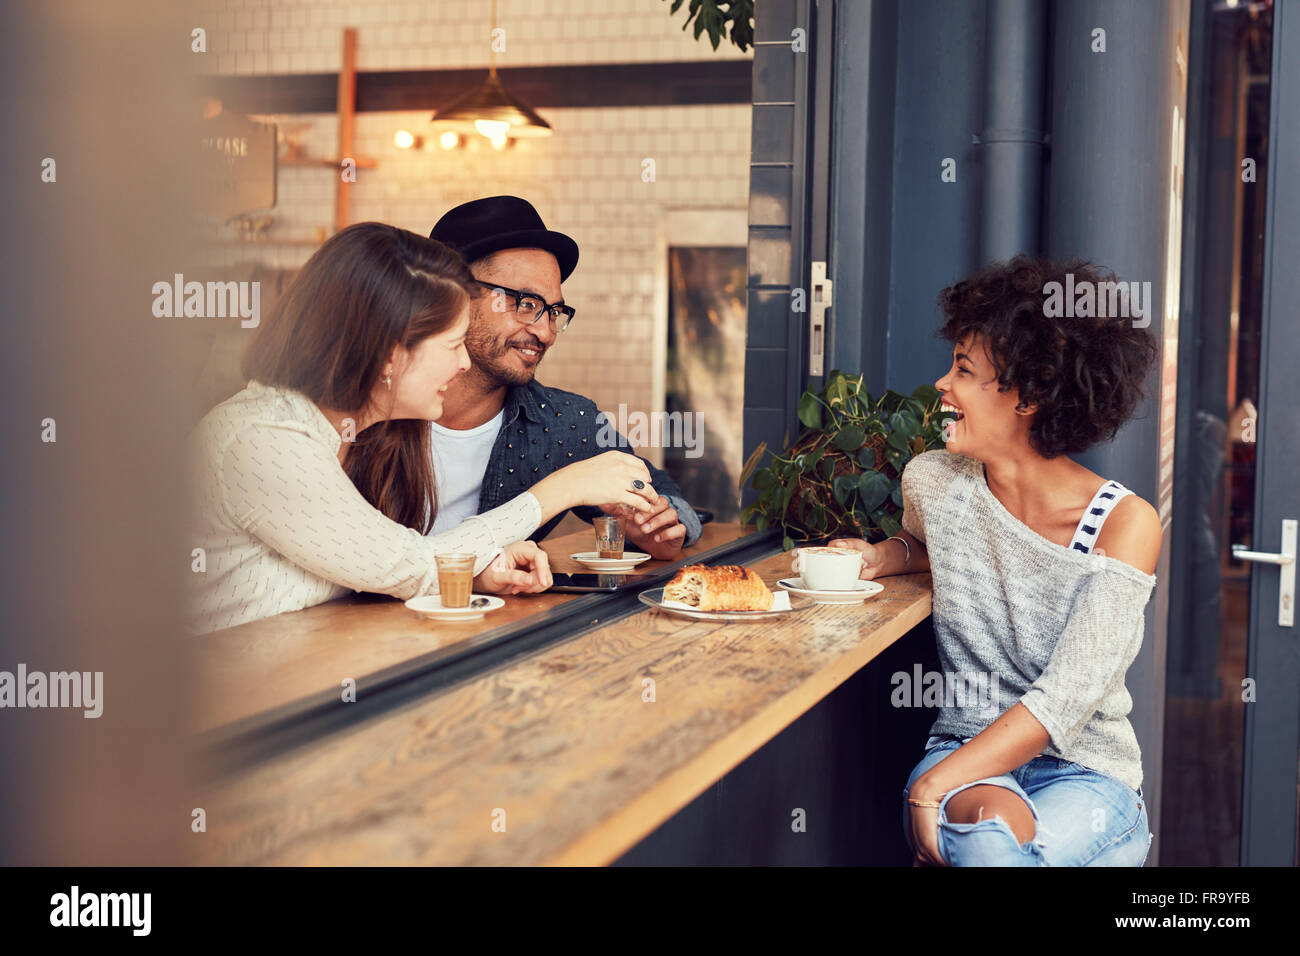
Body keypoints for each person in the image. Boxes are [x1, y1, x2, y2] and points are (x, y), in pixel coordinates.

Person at [797, 255, 1161, 866]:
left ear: (1031, 394)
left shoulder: (1123, 525)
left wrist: (928, 788)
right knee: (991, 836)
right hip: (968, 751)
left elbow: (1063, 702)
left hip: (1086, 774)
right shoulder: (936, 481)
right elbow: (927, 547)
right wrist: (879, 556)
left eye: (963, 370)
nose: (942, 384)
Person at [189, 222, 658, 634]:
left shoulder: (324, 432)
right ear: (391, 354)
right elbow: (407, 564)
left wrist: (475, 573)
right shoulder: (261, 441)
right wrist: (562, 489)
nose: (461, 363)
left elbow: (381, 563)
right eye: (452, 344)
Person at [427, 196, 703, 560]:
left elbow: (659, 492)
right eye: (526, 304)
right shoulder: (374, 411)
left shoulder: (561, 422)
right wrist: (563, 489)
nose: (546, 332)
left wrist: (655, 525)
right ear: (454, 295)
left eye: (554, 311)